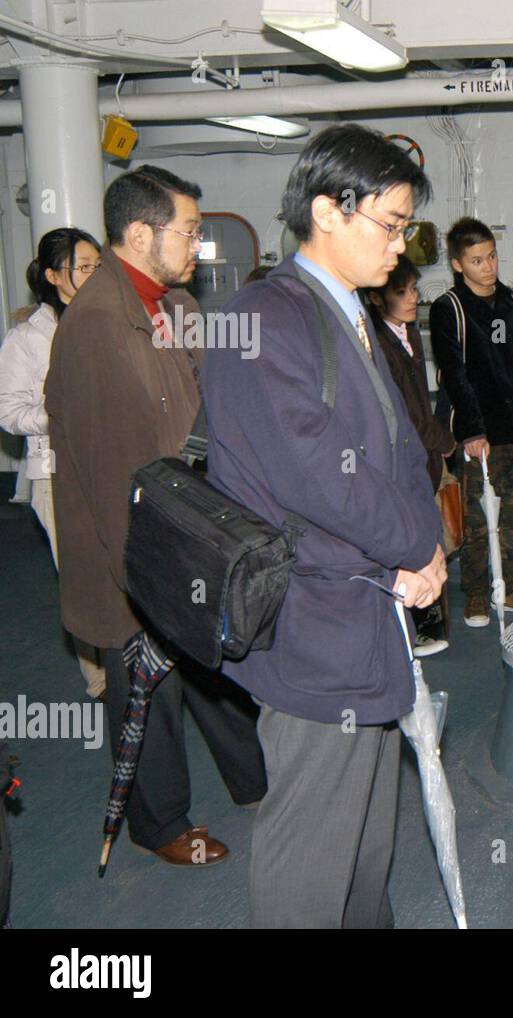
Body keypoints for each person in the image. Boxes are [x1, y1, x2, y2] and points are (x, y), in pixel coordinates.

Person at [202, 124, 446, 927]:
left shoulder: (345, 312)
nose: (401, 246)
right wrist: (413, 545)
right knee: (310, 852)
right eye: (392, 223)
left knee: (367, 837)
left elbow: (400, 446)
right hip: (314, 630)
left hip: (367, 612)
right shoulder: (263, 321)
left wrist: (427, 548)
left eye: (407, 227)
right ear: (328, 212)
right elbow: (317, 477)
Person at [44, 167, 266, 867]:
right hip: (139, 551)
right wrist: (147, 581)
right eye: (191, 231)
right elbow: (112, 476)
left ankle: (254, 779)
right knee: (151, 700)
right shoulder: (99, 326)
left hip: (188, 527)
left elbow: (195, 402)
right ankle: (159, 822)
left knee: (217, 668)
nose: (198, 246)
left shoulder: (170, 304)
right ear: (141, 234)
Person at [0, 227, 106, 699]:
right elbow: (7, 411)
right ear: (52, 275)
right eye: (84, 267)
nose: (94, 275)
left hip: (110, 467)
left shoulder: (107, 321)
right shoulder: (27, 338)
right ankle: (99, 679)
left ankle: (129, 665)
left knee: (120, 572)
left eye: (98, 266)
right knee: (81, 580)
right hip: (57, 475)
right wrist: (58, 413)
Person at [431, 217, 513, 625]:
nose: (488, 266)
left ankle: (511, 588)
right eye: (477, 260)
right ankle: (478, 594)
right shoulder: (449, 309)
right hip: (476, 435)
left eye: (492, 256)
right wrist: (472, 432)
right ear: (458, 265)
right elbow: (455, 377)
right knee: (479, 521)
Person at [364, 253, 457, 653]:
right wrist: (447, 442)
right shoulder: (379, 342)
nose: (411, 298)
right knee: (412, 541)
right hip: (401, 459)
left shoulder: (409, 333)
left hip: (424, 457)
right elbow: (405, 414)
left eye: (415, 289)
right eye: (401, 291)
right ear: (378, 297)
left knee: (432, 537)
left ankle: (431, 623)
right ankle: (416, 629)